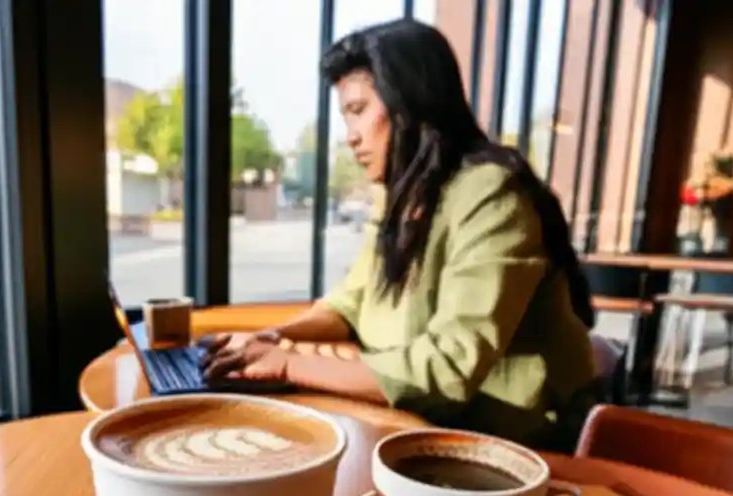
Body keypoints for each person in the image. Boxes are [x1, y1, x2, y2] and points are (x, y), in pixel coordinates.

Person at [202, 19, 597, 450]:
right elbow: (350, 303)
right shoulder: (401, 194)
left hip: (515, 440)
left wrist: (287, 366)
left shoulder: (490, 192)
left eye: (357, 110)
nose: (350, 137)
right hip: (424, 421)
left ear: (409, 101)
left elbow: (449, 366)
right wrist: (275, 339)